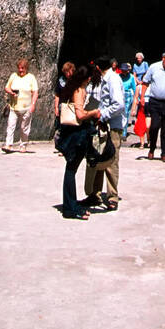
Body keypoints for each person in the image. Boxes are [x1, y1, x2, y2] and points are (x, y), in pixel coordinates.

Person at [56, 65, 101, 220]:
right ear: (87, 78)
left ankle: (70, 204)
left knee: (71, 169)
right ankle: (70, 208)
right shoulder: (79, 90)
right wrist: (94, 113)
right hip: (77, 134)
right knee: (71, 170)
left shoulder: (72, 87)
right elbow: (80, 115)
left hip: (72, 133)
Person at [83, 55, 125, 210]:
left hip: (113, 126)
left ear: (99, 68)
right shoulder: (104, 79)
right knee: (99, 158)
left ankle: (112, 196)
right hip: (103, 126)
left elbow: (119, 104)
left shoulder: (112, 79)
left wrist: (103, 115)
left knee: (111, 160)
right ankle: (95, 194)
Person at [2, 57, 39, 153]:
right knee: (10, 126)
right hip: (14, 106)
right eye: (19, 68)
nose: (20, 70)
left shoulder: (31, 77)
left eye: (22, 68)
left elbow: (35, 92)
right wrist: (11, 92)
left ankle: (23, 145)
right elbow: (7, 87)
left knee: (24, 128)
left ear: (26, 68)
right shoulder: (14, 76)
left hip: (26, 107)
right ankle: (8, 145)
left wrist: (33, 104)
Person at [53, 61, 75, 147]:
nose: (68, 73)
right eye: (66, 71)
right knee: (63, 127)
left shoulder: (75, 81)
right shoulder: (61, 81)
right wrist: (56, 108)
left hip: (72, 106)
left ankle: (71, 145)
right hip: (62, 106)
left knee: (72, 127)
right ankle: (63, 145)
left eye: (69, 71)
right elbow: (57, 95)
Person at [120, 63, 137, 141]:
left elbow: (134, 88)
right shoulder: (118, 76)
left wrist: (136, 99)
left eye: (125, 70)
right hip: (120, 94)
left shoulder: (131, 77)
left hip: (128, 95)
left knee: (126, 114)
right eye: (122, 70)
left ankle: (124, 133)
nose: (123, 72)